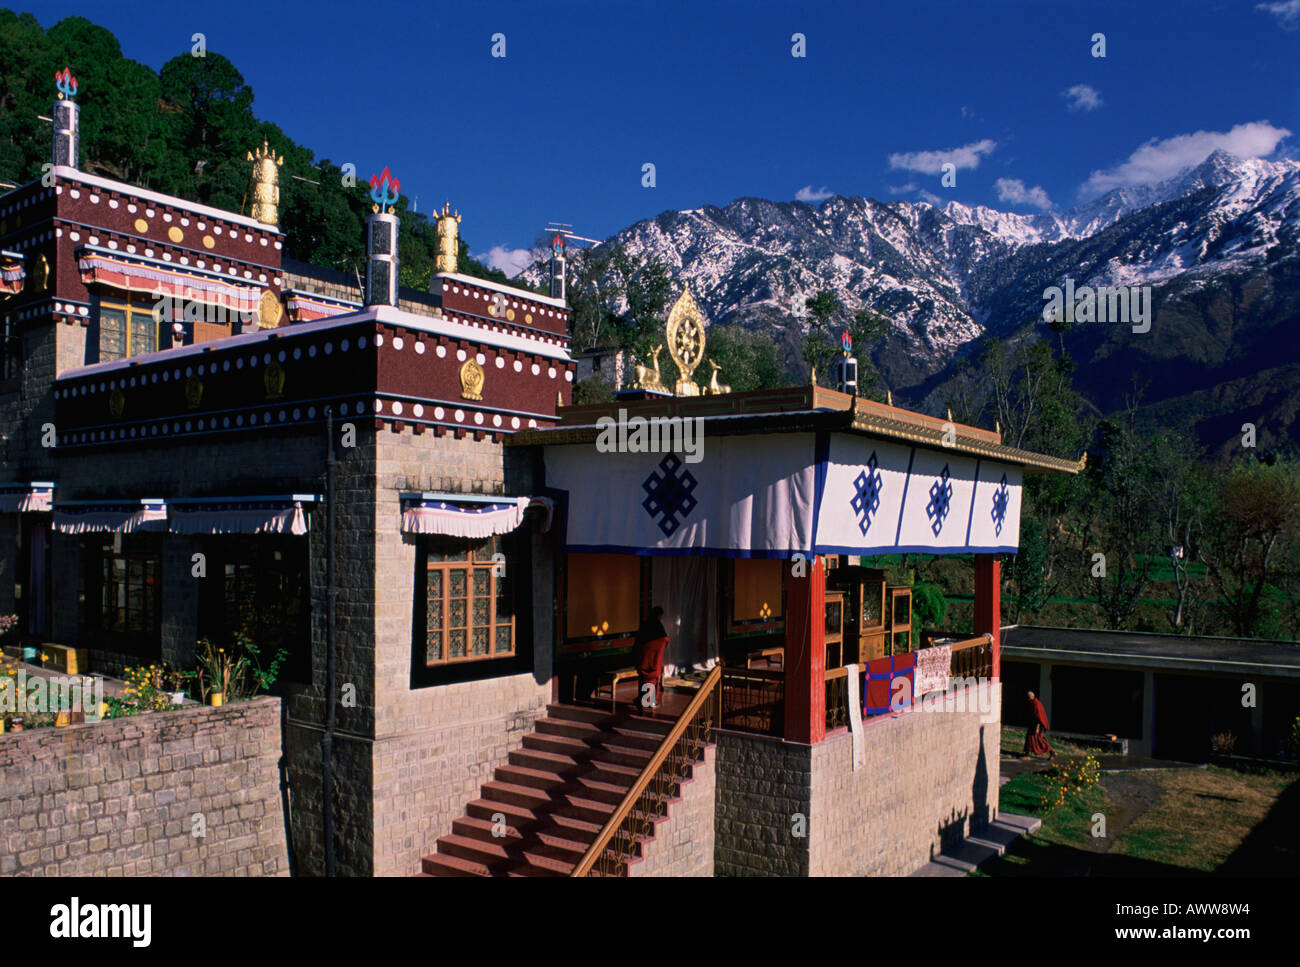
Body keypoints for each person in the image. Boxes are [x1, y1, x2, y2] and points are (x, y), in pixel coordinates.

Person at [632, 606, 670, 711]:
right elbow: (664, 640)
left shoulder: (644, 624)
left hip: (642, 657)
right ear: (659, 615)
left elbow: (638, 641)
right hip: (654, 659)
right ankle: (649, 701)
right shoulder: (658, 626)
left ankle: (643, 699)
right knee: (652, 680)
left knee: (644, 679)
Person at [1025, 690, 1055, 758]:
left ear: (1032, 696)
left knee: (1039, 740)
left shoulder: (1036, 704)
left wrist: (1037, 727)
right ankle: (1027, 753)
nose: (1027, 699)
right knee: (1030, 738)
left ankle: (1051, 752)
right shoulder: (1032, 702)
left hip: (1036, 725)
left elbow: (1039, 717)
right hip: (1032, 724)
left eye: (1028, 697)